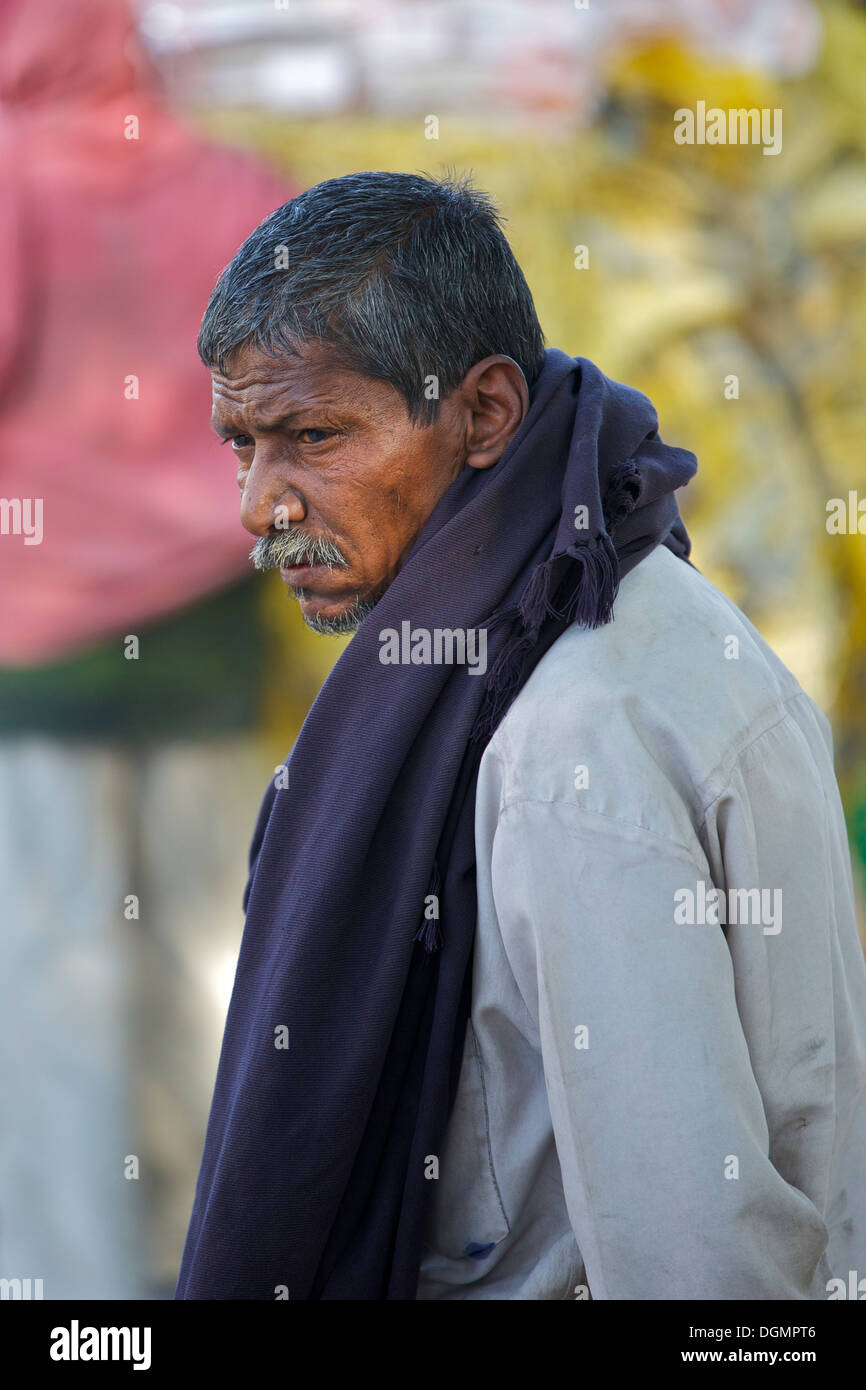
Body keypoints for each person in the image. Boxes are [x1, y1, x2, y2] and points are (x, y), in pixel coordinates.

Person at [175, 170, 866, 1301]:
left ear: (484, 412)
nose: (261, 504)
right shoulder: (625, 608)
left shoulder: (565, 745)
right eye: (241, 444)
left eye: (311, 434)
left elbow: (689, 1249)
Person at [0, 0, 295, 1297]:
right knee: (213, 962)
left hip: (37, 645)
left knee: (58, 989)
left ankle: (80, 1298)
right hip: (211, 630)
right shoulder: (242, 186)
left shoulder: (9, 178)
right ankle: (222, 1266)